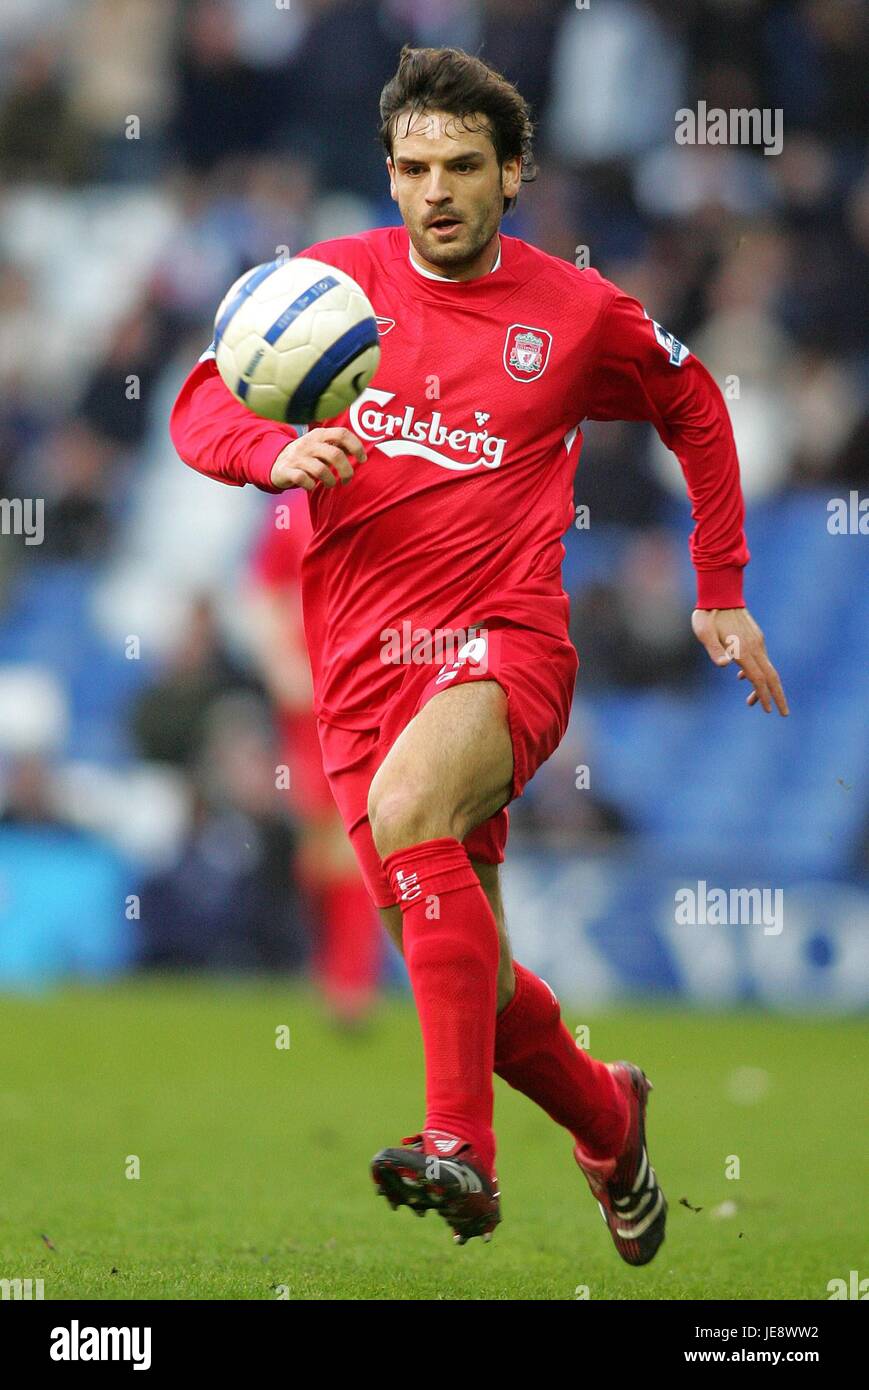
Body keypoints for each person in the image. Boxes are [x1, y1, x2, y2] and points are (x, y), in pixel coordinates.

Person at [170, 45, 789, 1259]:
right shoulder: (325, 287)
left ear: (513, 173)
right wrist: (269, 453)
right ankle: (609, 1116)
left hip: (504, 645)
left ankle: (457, 1145)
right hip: (359, 673)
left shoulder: (574, 311)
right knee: (484, 992)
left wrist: (719, 585)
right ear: (387, 172)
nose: (435, 190)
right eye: (412, 167)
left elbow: (693, 402)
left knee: (414, 811)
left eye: (462, 166)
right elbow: (202, 403)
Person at [248, 490, 382, 1025]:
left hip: (367, 693)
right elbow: (264, 591)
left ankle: (351, 982)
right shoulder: (294, 505)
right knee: (317, 840)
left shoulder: (390, 489)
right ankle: (328, 969)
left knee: (357, 832)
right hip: (307, 699)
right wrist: (281, 665)